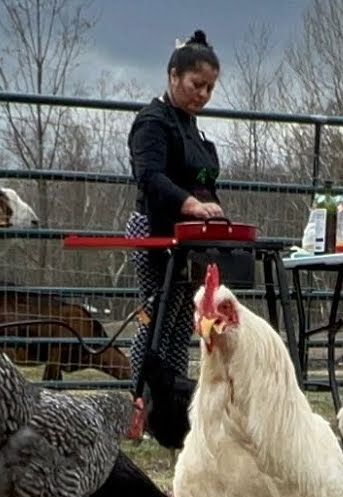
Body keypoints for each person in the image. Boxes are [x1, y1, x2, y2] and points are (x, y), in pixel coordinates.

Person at [127, 29, 223, 390]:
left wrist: (213, 211)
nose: (202, 94)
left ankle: (175, 398)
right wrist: (191, 204)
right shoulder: (152, 122)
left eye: (209, 88)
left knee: (184, 320)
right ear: (173, 76)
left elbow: (202, 178)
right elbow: (150, 177)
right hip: (154, 229)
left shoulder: (191, 128)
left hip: (191, 237)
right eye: (196, 84)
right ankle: (142, 399)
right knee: (156, 319)